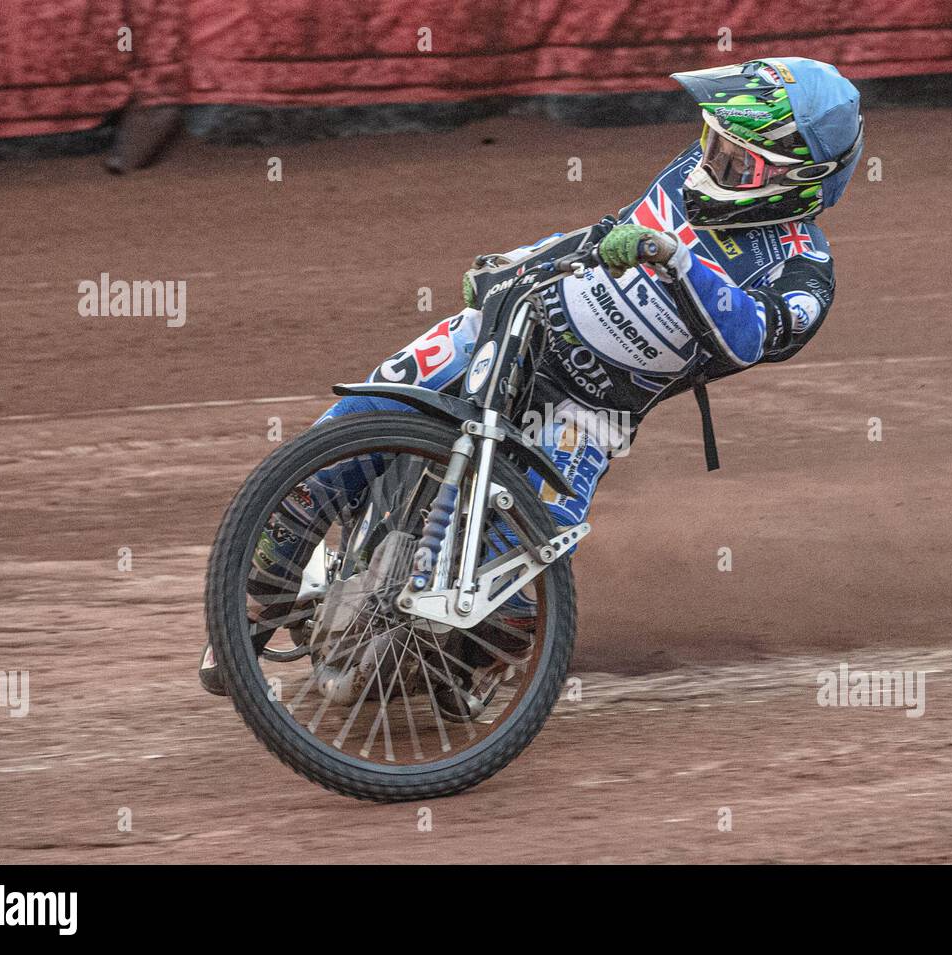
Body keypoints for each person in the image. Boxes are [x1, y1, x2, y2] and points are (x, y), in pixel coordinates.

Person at [200, 56, 863, 696]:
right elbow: (608, 230)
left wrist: (680, 263)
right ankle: (253, 616)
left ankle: (446, 670)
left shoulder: (805, 271)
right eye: (712, 140)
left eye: (734, 158)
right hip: (522, 321)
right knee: (351, 431)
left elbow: (753, 335)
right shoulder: (693, 170)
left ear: (796, 180)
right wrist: (518, 261)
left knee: (513, 610)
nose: (709, 161)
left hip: (590, 412)